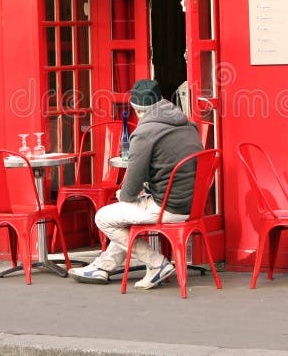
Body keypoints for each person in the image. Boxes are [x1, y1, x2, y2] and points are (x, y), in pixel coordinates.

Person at [69, 79, 204, 289]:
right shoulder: (188, 125)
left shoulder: (144, 133)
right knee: (127, 215)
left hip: (167, 207)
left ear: (137, 109)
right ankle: (102, 267)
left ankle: (156, 263)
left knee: (104, 217)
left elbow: (130, 189)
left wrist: (125, 197)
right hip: (192, 205)